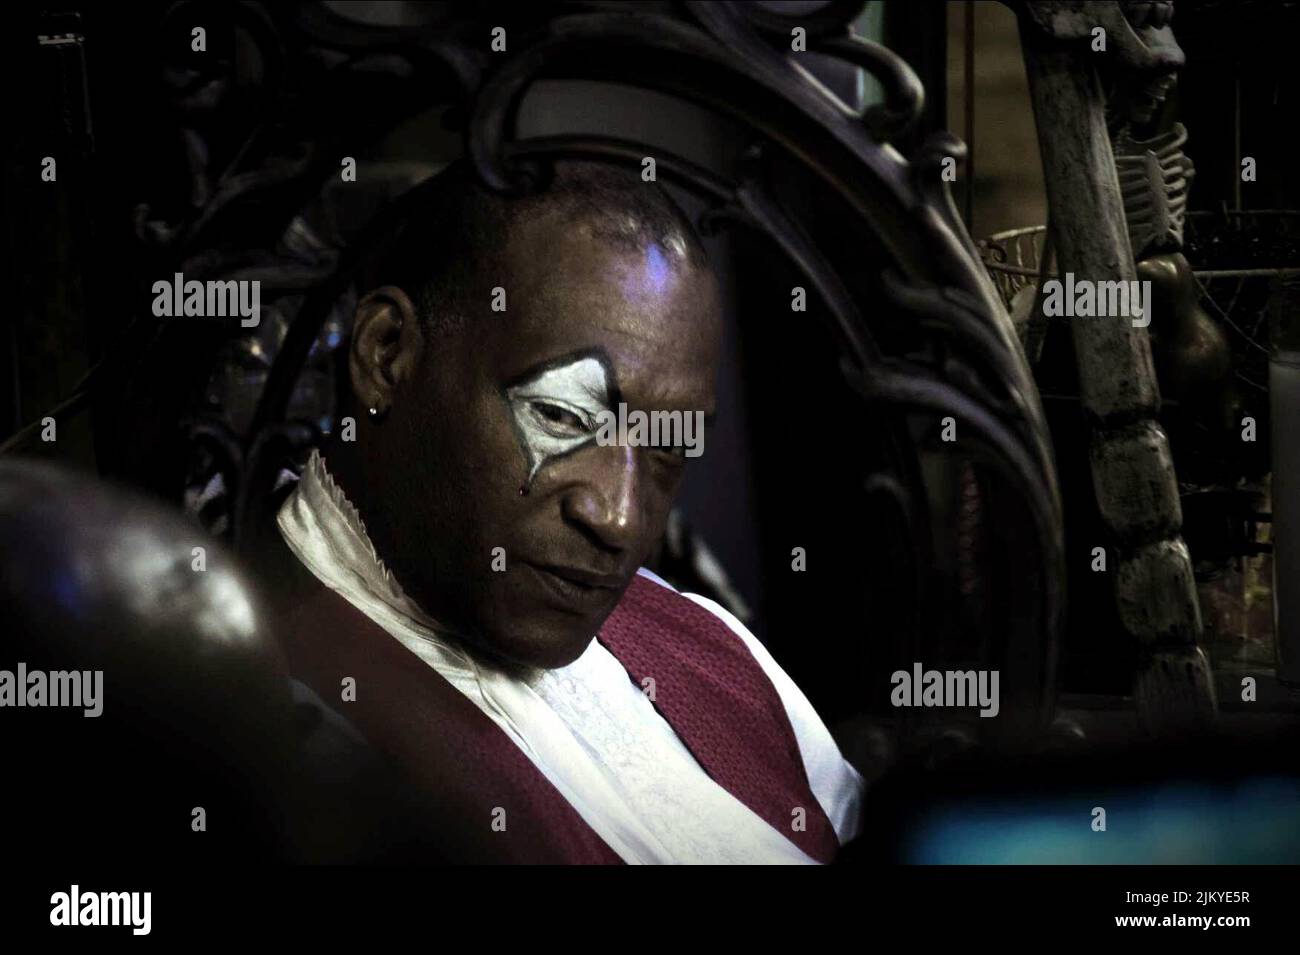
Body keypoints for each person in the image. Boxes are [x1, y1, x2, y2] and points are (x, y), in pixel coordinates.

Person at [260, 159, 864, 863]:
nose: (620, 517)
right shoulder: (267, 711)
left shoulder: (714, 648)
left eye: (668, 445)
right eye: (559, 415)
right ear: (387, 352)